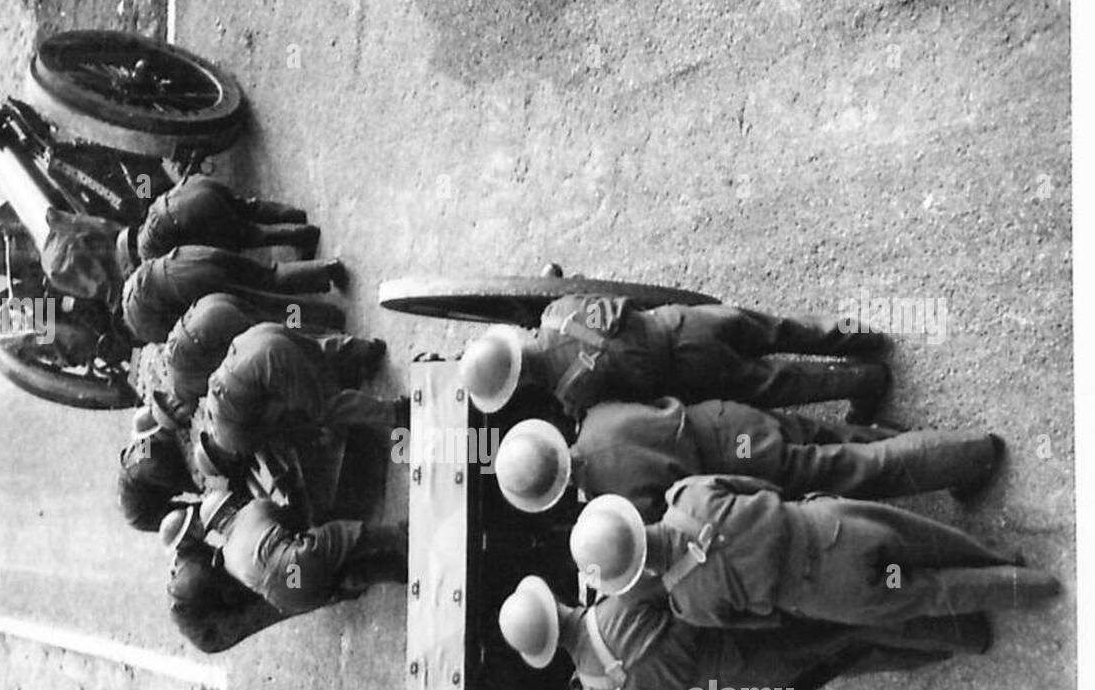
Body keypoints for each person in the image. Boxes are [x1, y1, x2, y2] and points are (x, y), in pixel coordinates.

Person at [568, 479, 1061, 628]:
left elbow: (758, 622)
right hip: (834, 527)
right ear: (630, 516)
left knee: (932, 594)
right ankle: (1002, 559)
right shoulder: (689, 495)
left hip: (830, 592)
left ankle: (1032, 588)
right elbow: (761, 486)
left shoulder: (687, 603)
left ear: (635, 573)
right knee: (930, 539)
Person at [498, 575, 991, 690]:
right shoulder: (616, 608)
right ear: (556, 602)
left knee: (850, 660)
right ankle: (964, 632)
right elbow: (684, 590)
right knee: (852, 624)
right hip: (752, 644)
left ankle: (942, 648)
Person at [491, 402, 1002, 519]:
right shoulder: (598, 414)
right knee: (832, 436)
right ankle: (944, 447)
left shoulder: (609, 498)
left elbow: (671, 513)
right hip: (729, 419)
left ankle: (971, 456)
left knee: (860, 470)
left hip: (748, 465)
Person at [458, 296, 889, 422]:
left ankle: (866, 381)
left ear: (520, 385)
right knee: (780, 329)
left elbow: (637, 413)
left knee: (781, 382)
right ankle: (858, 334)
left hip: (691, 372)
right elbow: (613, 306)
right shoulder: (557, 313)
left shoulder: (572, 394)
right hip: (683, 321)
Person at [37, 207, 343, 342]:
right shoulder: (139, 247)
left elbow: (175, 329)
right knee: (269, 275)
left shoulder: (135, 316)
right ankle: (325, 266)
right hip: (187, 256)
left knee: (268, 311)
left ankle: (331, 320)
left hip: (199, 291)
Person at [152, 292, 387, 429]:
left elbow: (233, 372)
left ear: (174, 407)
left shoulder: (188, 386)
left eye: (184, 417)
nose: (191, 415)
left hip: (223, 325)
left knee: (291, 353)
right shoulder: (176, 373)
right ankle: (362, 350)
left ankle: (367, 386)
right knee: (290, 337)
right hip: (212, 304)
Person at [160, 490, 408, 616]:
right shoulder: (252, 509)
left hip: (289, 599)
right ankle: (403, 536)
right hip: (294, 567)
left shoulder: (226, 559)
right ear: (228, 507)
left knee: (343, 574)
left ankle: (400, 570)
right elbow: (292, 519)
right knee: (347, 535)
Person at [202, 322, 405, 463]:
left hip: (269, 361)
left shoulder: (230, 442)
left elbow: (278, 430)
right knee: (314, 351)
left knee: (324, 408)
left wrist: (313, 433)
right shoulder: (211, 411)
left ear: (222, 458)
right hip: (253, 337)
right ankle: (365, 350)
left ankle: (396, 412)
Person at [158, 506, 286, 652]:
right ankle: (300, 585)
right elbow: (241, 592)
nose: (199, 523)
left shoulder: (190, 553)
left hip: (205, 609)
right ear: (186, 537)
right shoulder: (200, 572)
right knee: (279, 599)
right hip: (212, 632)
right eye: (193, 525)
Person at [135, 175, 320, 261]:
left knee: (248, 236)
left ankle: (303, 236)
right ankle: (295, 215)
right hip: (196, 185)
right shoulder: (149, 221)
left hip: (199, 211)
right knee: (247, 207)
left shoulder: (149, 255)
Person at [116, 407, 197, 531]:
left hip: (134, 487)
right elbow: (195, 483)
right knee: (189, 518)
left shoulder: (145, 442)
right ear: (155, 435)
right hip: (143, 513)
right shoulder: (154, 467)